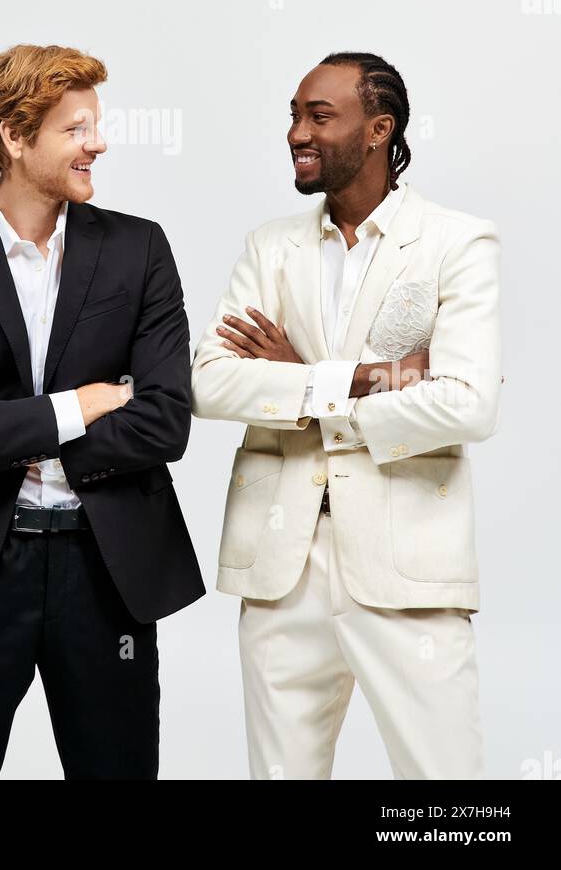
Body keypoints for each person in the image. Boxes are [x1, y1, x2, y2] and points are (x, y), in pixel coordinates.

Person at [0, 43, 204, 780]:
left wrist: (9, 425)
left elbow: (166, 421)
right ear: (13, 135)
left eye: (96, 124)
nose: (98, 142)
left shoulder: (139, 250)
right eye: (75, 128)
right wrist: (85, 404)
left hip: (106, 572)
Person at [191, 51, 502, 780]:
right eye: (294, 116)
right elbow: (208, 384)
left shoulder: (457, 244)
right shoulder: (269, 248)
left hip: (407, 567)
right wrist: (361, 380)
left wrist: (293, 380)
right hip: (280, 567)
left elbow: (467, 402)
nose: (297, 132)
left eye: (318, 116)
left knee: (447, 802)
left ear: (377, 130)